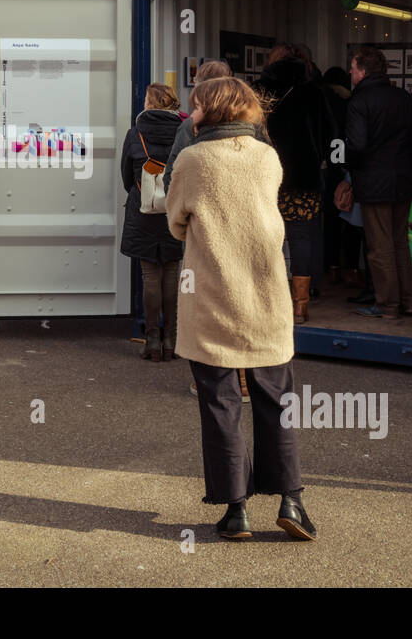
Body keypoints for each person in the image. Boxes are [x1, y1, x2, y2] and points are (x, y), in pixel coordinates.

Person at [166, 77, 315, 542]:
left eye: (195, 106)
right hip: (266, 296)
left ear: (209, 110)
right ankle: (291, 499)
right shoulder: (266, 156)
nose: (190, 113)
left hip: (210, 297)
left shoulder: (192, 159)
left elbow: (175, 222)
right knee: (277, 401)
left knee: (221, 403)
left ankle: (236, 511)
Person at [255, 44, 339, 324]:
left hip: (266, 177)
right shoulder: (313, 92)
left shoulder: (259, 91)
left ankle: (269, 301)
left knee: (268, 240)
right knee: (302, 238)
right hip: (304, 178)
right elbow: (330, 134)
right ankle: (300, 306)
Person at [344, 46, 412, 320]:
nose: (350, 73)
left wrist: (349, 166)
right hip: (403, 181)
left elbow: (357, 144)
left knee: (379, 247)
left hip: (374, 183)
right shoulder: (402, 97)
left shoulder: (359, 101)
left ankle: (387, 305)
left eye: (352, 68)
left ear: (362, 71)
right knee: (400, 243)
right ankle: (409, 301)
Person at [119, 83, 185, 361]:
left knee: (150, 276)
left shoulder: (135, 134)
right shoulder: (185, 132)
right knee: (171, 274)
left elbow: (126, 177)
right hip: (174, 210)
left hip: (143, 210)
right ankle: (172, 339)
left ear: (150, 103)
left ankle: (152, 341)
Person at [163, 59, 235, 192]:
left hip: (200, 206)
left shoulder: (191, 125)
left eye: (196, 80)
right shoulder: (252, 122)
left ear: (200, 86)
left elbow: (171, 176)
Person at [320, 67, 364, 286]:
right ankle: (352, 268)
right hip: (350, 168)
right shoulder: (354, 102)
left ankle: (332, 266)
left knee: (331, 219)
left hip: (330, 168)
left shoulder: (323, 101)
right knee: (353, 220)